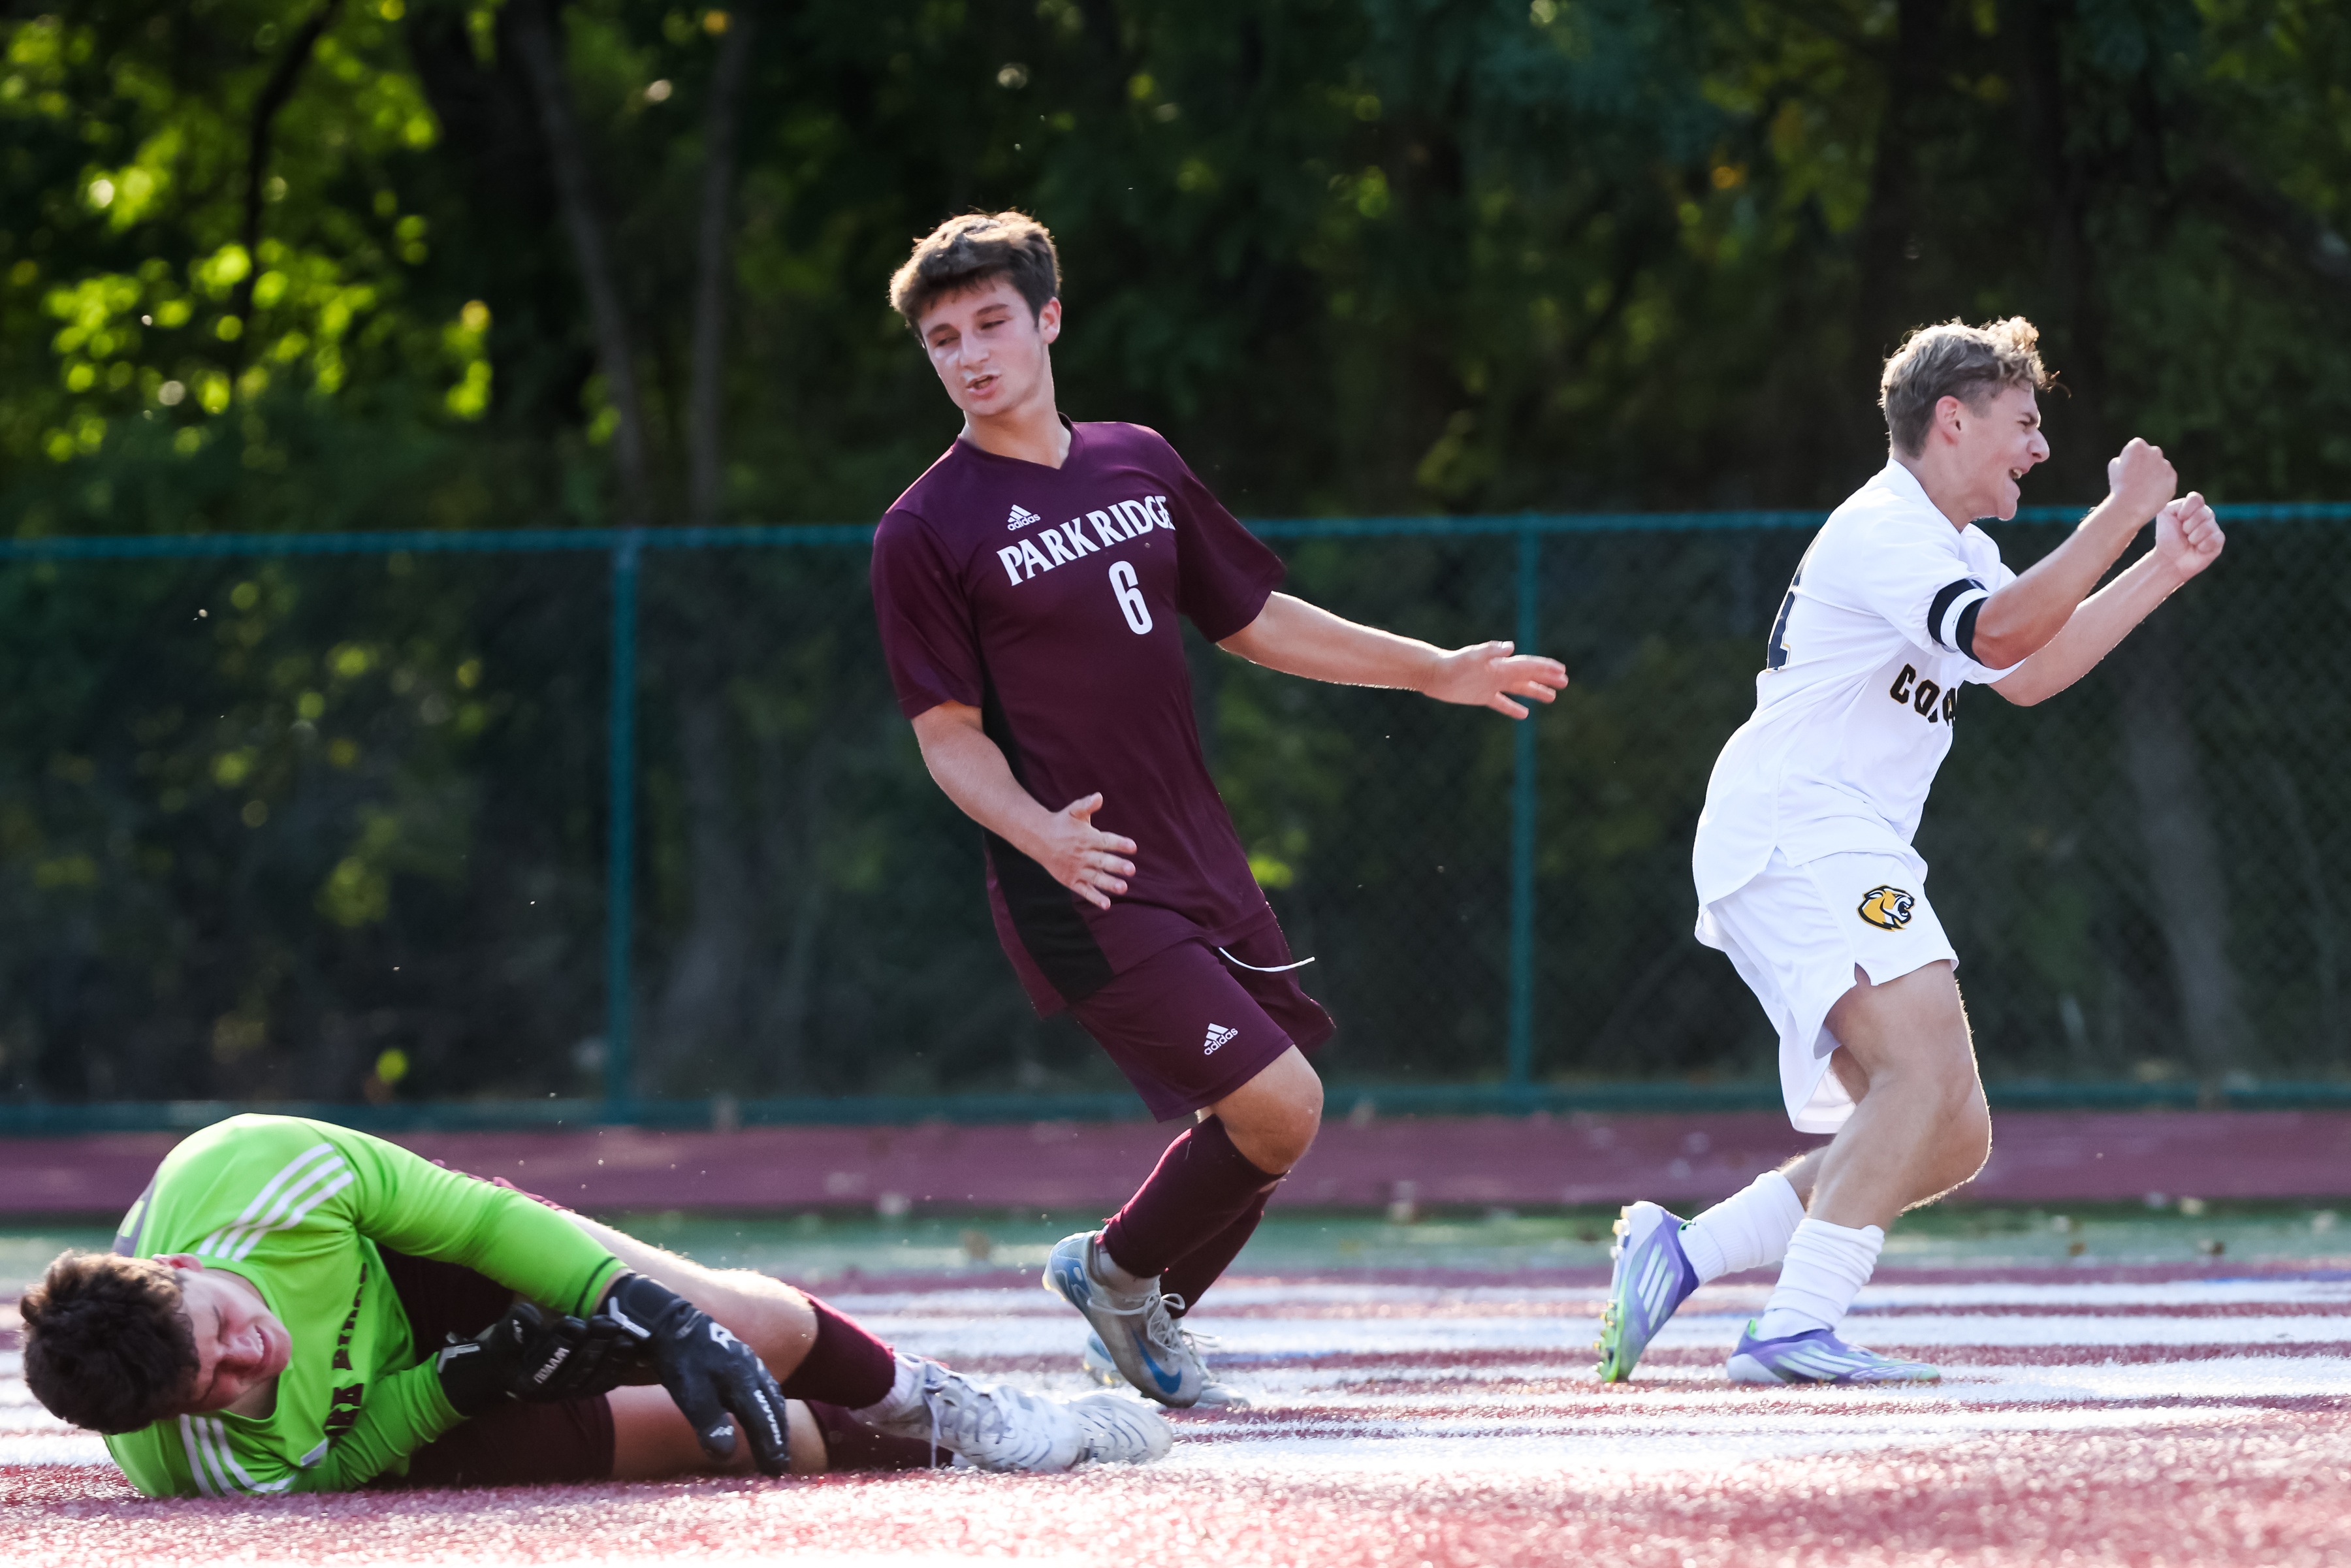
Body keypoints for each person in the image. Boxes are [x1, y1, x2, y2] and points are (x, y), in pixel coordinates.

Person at [868, 211, 1569, 1408]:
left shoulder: (1137, 458)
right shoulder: (923, 530)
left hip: (1197, 850)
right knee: (1278, 1101)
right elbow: (947, 738)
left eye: (992, 323)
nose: (971, 354)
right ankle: (1113, 1276)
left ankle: (1133, 1309)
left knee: (1278, 1122)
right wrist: (1041, 833)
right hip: (1079, 874)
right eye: (944, 339)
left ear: (1046, 320)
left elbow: (1256, 618)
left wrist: (1433, 666)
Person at [1595, 317, 2226, 1386]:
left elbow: (2023, 669)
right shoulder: (1884, 528)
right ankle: (1794, 1324)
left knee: (1950, 1132)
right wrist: (2121, 510)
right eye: (2024, 424)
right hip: (1802, 823)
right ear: (1952, 419)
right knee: (1921, 1071)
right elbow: (2000, 636)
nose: (2036, 449)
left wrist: (2158, 566)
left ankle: (1685, 1253)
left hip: (1823, 836)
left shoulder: (1954, 547)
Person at [18, 1113, 1169, 1496]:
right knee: (741, 1438)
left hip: (407, 1261)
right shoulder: (198, 1454)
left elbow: (473, 1221)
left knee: (732, 1323)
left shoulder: (256, 1170)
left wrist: (653, 1311)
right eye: (210, 1391)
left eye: (220, 1334)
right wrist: (467, 1381)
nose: (245, 1365)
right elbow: (349, 1452)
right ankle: (919, 1450)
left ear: (173, 1268)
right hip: (409, 1422)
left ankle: (961, 1411)